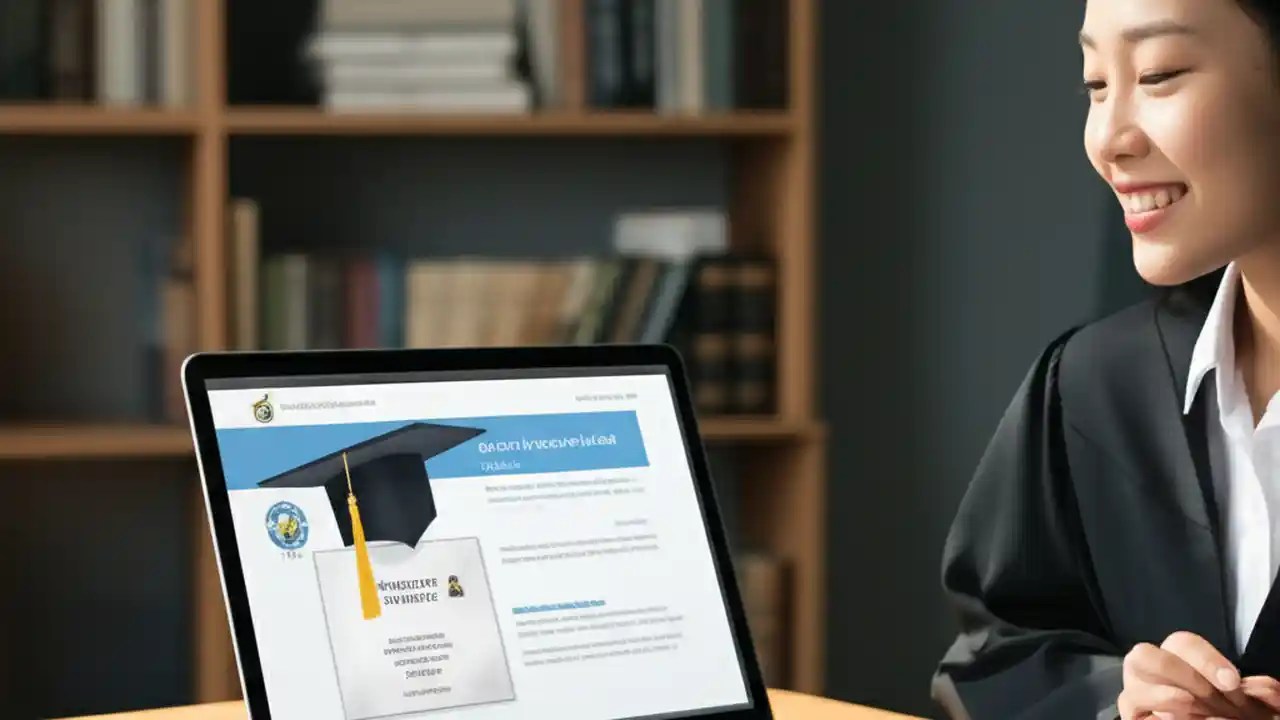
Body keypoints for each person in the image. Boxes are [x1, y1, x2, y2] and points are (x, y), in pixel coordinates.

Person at [933, 0, 1280, 718]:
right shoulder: (1094, 387)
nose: (1109, 139)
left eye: (1158, 74)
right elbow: (997, 656)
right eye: (1096, 83)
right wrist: (1117, 704)